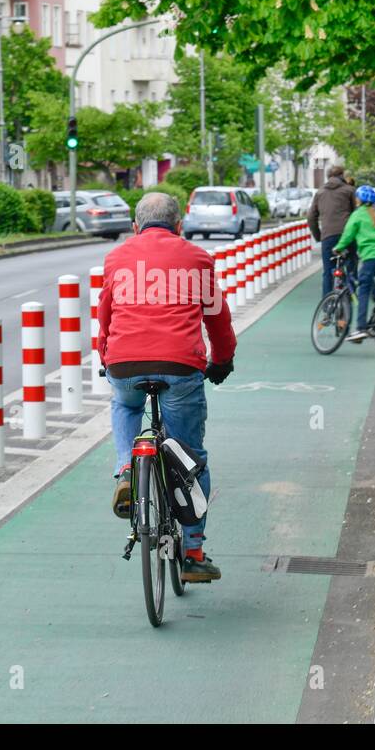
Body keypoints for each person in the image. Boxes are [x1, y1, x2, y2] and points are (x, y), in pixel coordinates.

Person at [98, 192, 236, 583]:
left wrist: (105, 358)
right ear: (180, 226)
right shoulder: (197, 259)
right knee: (192, 458)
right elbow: (217, 318)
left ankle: (127, 468)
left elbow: (105, 314)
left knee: (125, 407)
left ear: (135, 227)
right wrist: (223, 359)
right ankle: (193, 552)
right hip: (180, 365)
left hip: (125, 362)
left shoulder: (117, 258)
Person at [335, 186, 375, 343]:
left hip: (371, 255)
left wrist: (338, 248)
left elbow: (348, 234)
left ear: (360, 200)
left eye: (356, 198)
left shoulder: (358, 214)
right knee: (366, 276)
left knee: (362, 287)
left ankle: (361, 328)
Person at [307, 165, 357, 297]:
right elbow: (356, 215)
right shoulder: (349, 190)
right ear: (342, 175)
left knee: (328, 271)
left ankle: (327, 304)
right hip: (347, 235)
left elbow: (311, 217)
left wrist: (319, 236)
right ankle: (351, 295)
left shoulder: (320, 192)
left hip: (328, 236)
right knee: (351, 265)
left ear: (328, 177)